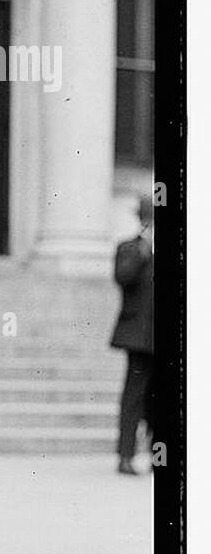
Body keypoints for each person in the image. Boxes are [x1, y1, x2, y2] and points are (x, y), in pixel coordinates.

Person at [111, 193, 155, 476]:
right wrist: (144, 249)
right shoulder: (129, 248)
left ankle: (158, 456)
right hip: (138, 339)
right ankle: (126, 456)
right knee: (133, 398)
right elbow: (123, 277)